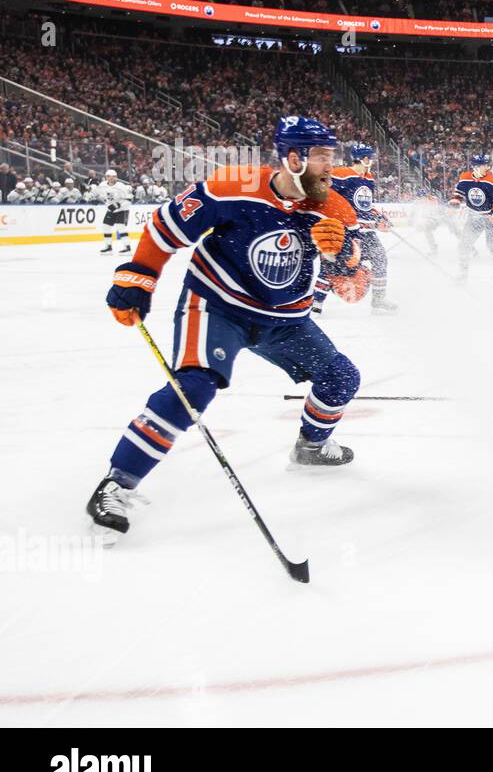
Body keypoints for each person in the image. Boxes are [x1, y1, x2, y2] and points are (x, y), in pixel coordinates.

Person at [85, 117, 371, 543]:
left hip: (286, 322)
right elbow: (165, 227)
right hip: (218, 306)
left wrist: (342, 258)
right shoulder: (231, 187)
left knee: (341, 378)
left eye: (333, 157)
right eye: (321, 158)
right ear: (293, 159)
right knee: (194, 388)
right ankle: (117, 483)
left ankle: (310, 448)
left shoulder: (335, 208)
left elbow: (352, 291)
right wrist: (138, 275)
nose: (331, 168)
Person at [314, 144, 397, 314]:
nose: (373, 162)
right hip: (346, 231)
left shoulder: (368, 178)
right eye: (371, 158)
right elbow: (325, 197)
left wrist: (379, 217)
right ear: (365, 159)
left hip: (366, 233)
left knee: (380, 258)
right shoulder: (341, 174)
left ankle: (378, 300)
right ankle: (317, 301)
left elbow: (366, 206)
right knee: (332, 265)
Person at [455, 154, 493, 284]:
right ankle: (463, 274)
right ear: (476, 167)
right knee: (464, 245)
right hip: (473, 218)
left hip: (489, 218)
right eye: (485, 165)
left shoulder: (491, 180)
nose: (488, 167)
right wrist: (454, 202)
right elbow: (459, 193)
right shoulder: (465, 178)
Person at [96, 169, 133, 255]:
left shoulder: (121, 186)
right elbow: (100, 195)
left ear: (116, 177)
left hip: (122, 209)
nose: (111, 178)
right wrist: (95, 198)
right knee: (105, 226)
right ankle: (108, 247)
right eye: (109, 176)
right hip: (111, 210)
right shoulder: (102, 185)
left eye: (113, 177)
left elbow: (129, 199)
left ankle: (127, 248)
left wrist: (117, 205)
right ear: (106, 177)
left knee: (120, 227)